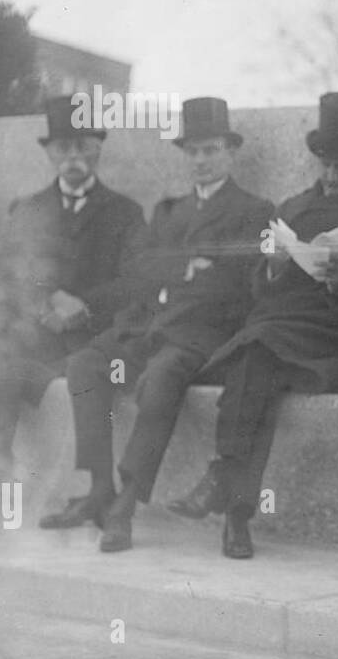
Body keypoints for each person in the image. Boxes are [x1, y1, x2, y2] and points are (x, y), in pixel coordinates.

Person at [168, 92, 338, 559]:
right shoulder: (293, 206)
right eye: (324, 163)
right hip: (288, 327)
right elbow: (259, 288)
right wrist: (276, 264)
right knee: (260, 356)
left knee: (256, 352)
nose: (331, 174)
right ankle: (235, 515)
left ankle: (225, 488)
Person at [42, 98, 273, 549]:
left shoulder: (254, 210)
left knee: (162, 378)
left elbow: (237, 283)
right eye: (193, 152)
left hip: (202, 334)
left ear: (230, 152)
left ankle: (125, 504)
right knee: (86, 363)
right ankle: (98, 488)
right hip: (148, 326)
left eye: (211, 150)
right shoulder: (168, 210)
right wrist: (188, 267)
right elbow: (138, 270)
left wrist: (172, 268)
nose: (201, 161)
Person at [0, 96, 144, 476]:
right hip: (38, 335)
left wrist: (84, 304)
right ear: (50, 153)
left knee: (73, 373)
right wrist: (44, 301)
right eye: (63, 147)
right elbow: (9, 270)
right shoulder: (27, 209)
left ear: (98, 149)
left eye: (83, 146)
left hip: (93, 340)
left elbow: (137, 279)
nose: (73, 156)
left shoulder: (125, 212)